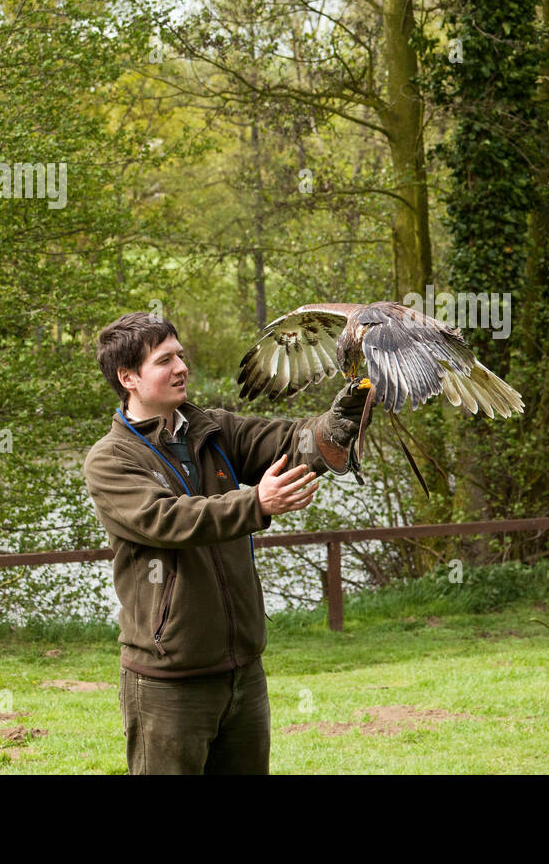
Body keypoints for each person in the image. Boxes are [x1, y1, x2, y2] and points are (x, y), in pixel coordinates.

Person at [82, 311, 366, 774]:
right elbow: (166, 519)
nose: (181, 367)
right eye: (164, 360)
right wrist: (256, 503)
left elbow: (291, 442)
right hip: (168, 683)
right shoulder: (111, 459)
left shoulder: (213, 428)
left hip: (243, 674)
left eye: (180, 355)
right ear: (128, 377)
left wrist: (337, 422)